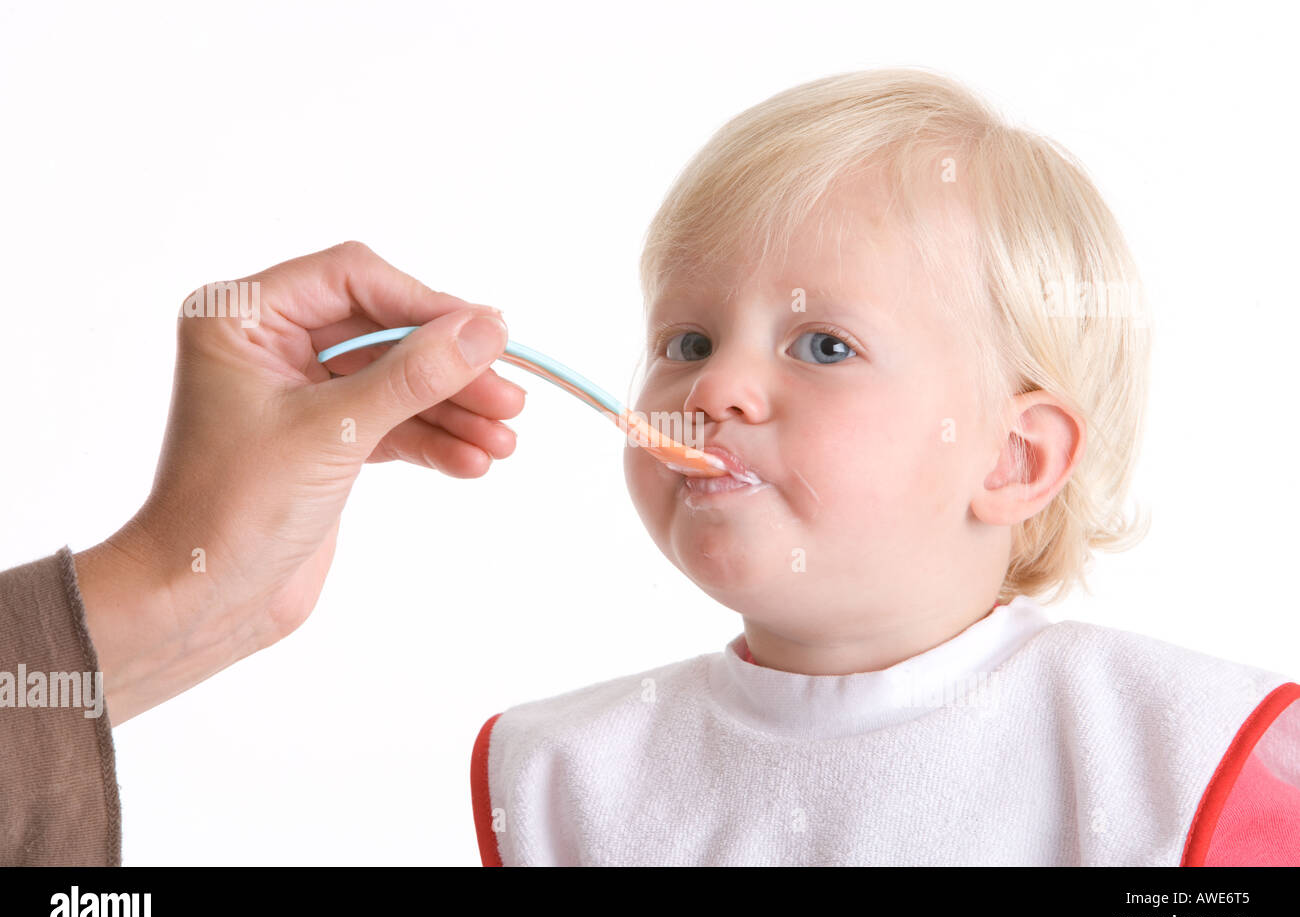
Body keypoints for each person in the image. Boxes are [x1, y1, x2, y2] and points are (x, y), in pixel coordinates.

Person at [469, 68, 1300, 865]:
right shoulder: (571, 779)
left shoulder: (1181, 762)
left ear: (1014, 458)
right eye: (688, 343)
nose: (715, 386)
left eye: (825, 346)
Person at [0, 241, 525, 865]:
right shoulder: (554, 765)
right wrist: (195, 590)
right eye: (676, 345)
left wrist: (201, 598)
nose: (680, 408)